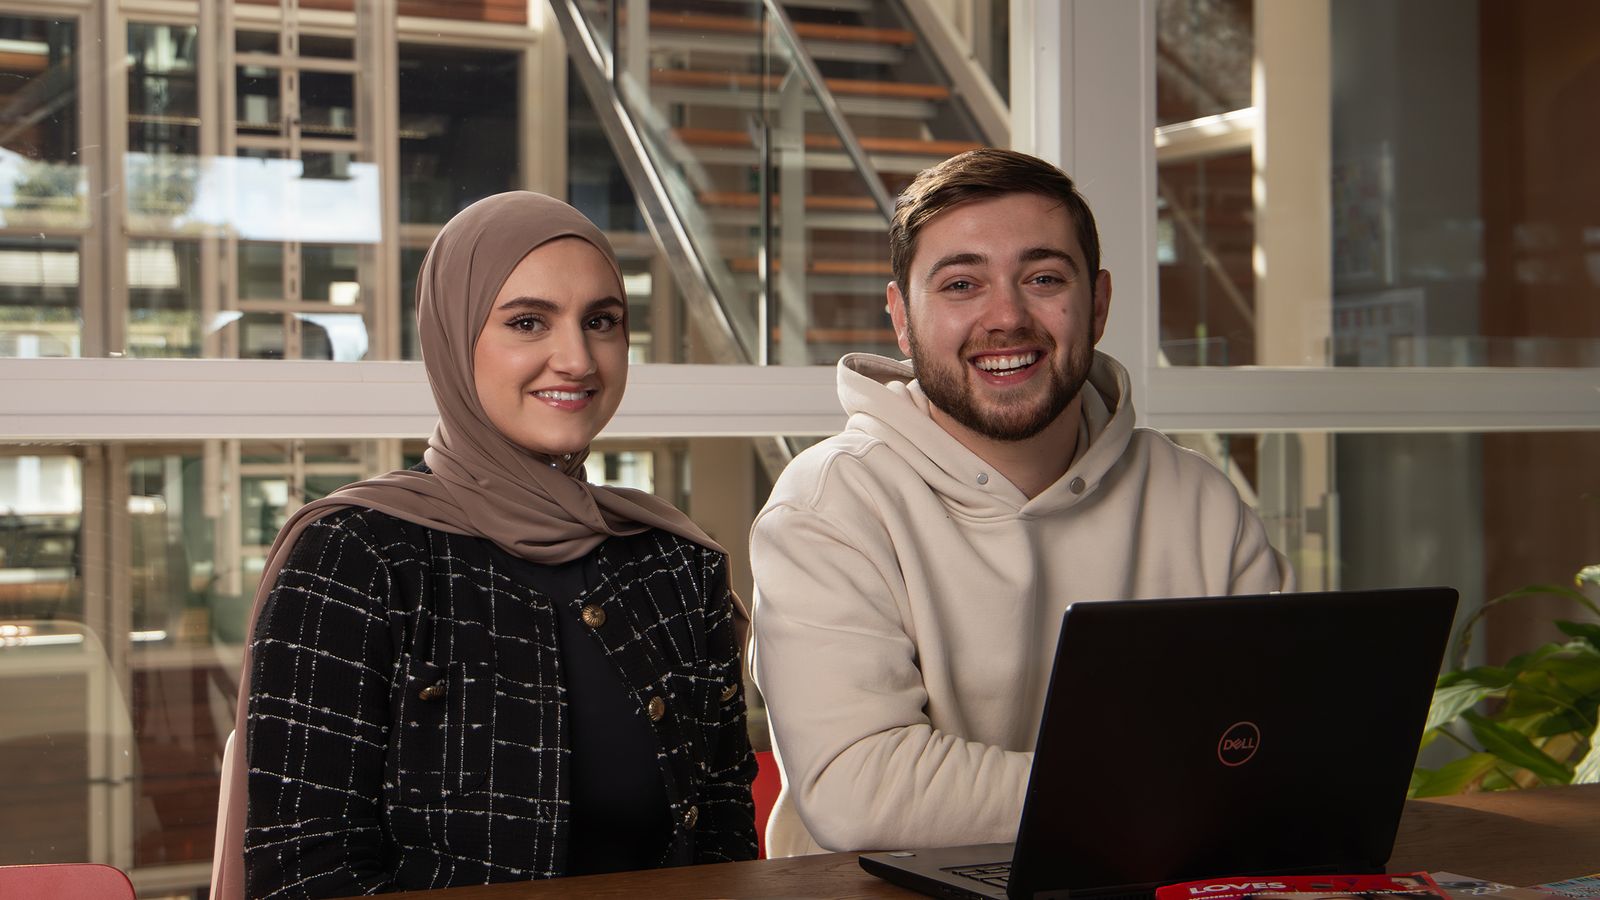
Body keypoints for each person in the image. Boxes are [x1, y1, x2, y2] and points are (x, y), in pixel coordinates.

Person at [747, 148, 1293, 857]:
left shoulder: (1199, 501)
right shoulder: (829, 505)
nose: (1005, 317)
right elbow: (861, 790)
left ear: (1097, 304)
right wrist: (1150, 791)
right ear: (901, 317)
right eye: (961, 284)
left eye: (1041, 278)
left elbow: (1278, 745)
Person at [211, 192, 757, 899]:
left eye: (603, 321)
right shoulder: (355, 556)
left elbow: (725, 847)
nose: (577, 358)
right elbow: (306, 875)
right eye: (528, 322)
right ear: (452, 334)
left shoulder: (676, 565)